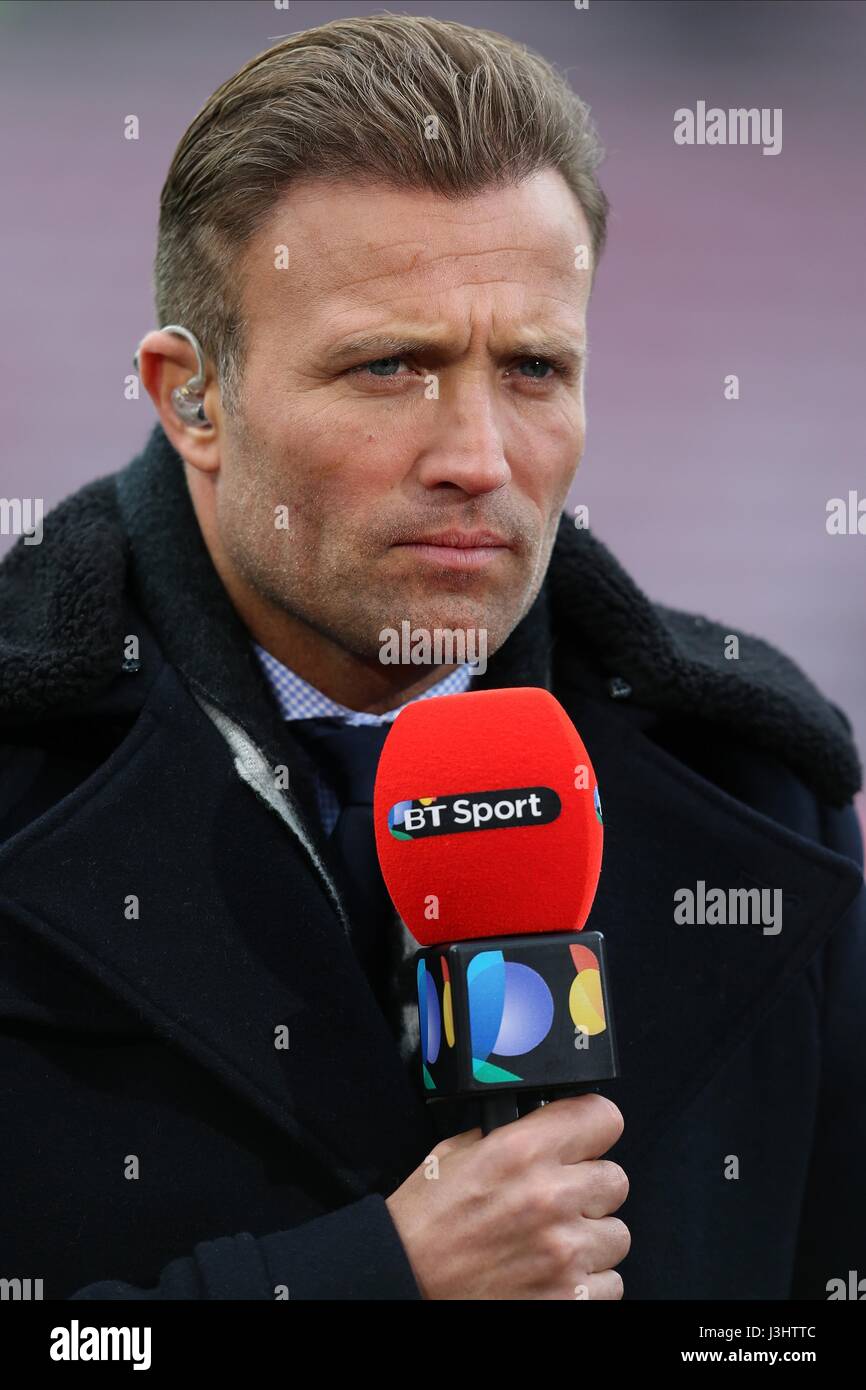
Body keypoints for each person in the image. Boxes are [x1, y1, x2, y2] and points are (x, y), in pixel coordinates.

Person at [1, 14, 863, 1301]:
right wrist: (367, 1283)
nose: (478, 454)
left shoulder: (755, 792)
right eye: (389, 364)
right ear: (193, 398)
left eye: (531, 368)